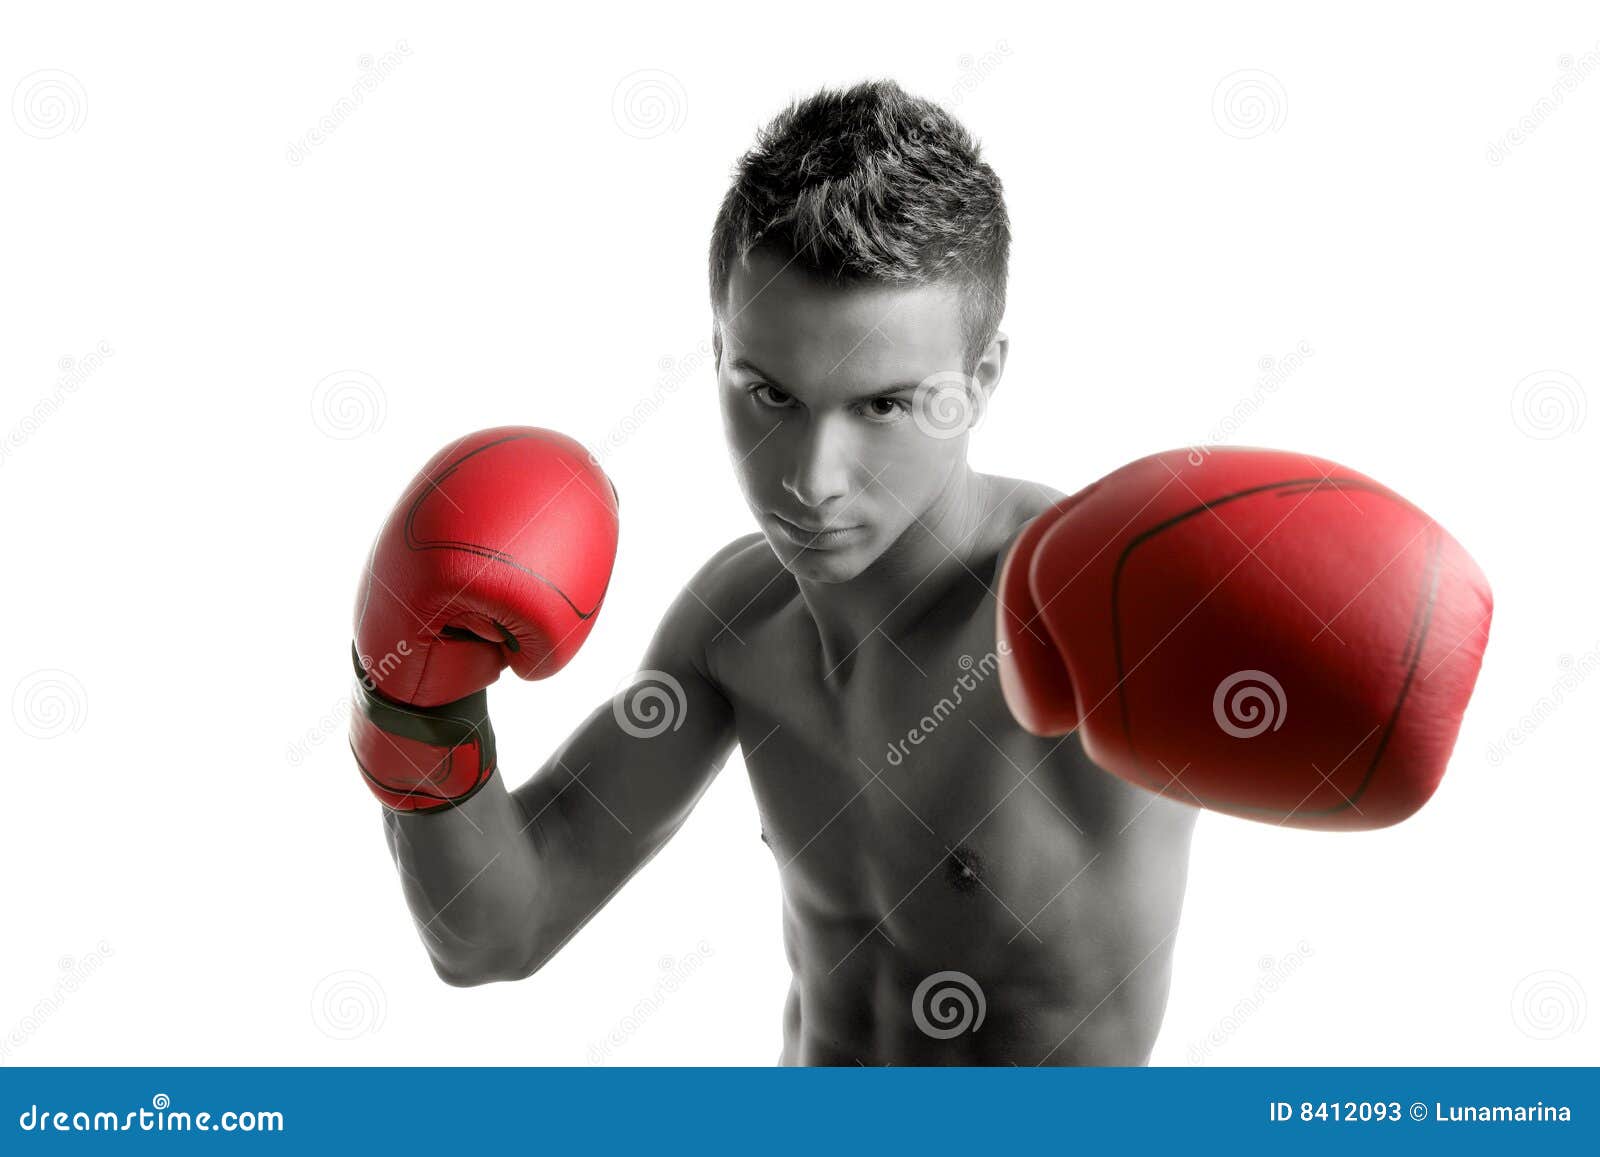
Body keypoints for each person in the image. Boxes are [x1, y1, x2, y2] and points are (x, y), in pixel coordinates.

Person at [347, 80, 1488, 1065]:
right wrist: (414, 697)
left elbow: (1387, 675)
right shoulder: (733, 620)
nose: (813, 477)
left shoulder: (1104, 610)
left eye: (883, 404)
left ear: (980, 374)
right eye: (768, 394)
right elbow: (492, 931)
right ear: (716, 354)